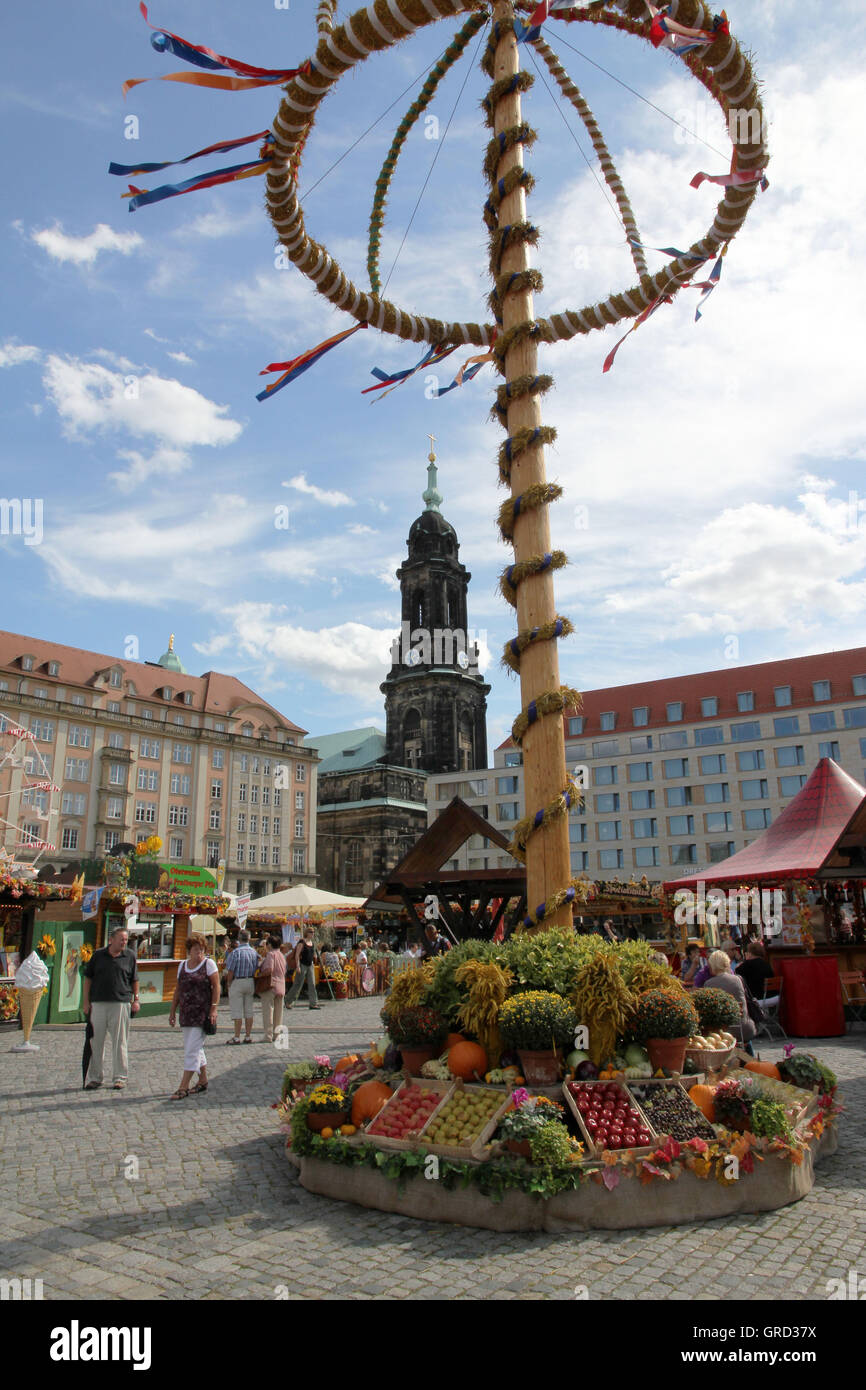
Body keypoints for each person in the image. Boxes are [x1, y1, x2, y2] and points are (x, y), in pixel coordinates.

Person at [82, 925, 140, 1090]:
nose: (124, 942)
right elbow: (88, 979)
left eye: (126, 940)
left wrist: (136, 999)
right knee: (96, 1041)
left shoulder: (130, 956)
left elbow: (135, 980)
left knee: (120, 1041)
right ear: (111, 939)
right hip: (98, 1003)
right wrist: (86, 1002)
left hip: (120, 1003)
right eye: (121, 939)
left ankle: (120, 1077)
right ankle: (95, 1077)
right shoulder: (98, 955)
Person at [168, 933, 220, 1099]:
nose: (199, 953)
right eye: (196, 950)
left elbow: (216, 987)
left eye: (202, 950)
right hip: (186, 1012)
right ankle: (203, 1079)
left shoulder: (208, 964)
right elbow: (178, 989)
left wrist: (213, 1009)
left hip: (201, 1013)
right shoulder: (182, 965)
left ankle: (183, 1086)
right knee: (195, 1048)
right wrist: (172, 1011)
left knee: (192, 1049)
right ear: (189, 950)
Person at [704, 949, 757, 1053]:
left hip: (724, 1034)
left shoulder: (709, 984)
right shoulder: (737, 979)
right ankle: (750, 1056)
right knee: (741, 1021)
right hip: (744, 1028)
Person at [223, 929, 259, 1043]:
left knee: (237, 1010)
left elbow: (230, 970)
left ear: (239, 938)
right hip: (250, 980)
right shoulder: (254, 952)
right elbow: (257, 966)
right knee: (249, 1010)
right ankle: (248, 1036)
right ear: (249, 938)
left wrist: (229, 983)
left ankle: (237, 1036)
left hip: (238, 981)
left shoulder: (235, 952)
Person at [258, 933, 288, 1042]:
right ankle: (277, 1035)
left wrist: (260, 974)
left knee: (268, 1011)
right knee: (279, 1013)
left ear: (269, 945)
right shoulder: (281, 955)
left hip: (271, 986)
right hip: (281, 985)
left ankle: (268, 1035)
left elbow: (269, 969)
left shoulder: (271, 954)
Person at [285, 928, 320, 1010]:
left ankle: (313, 1003)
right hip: (302, 965)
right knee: (298, 984)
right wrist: (297, 966)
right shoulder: (302, 942)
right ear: (306, 933)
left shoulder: (312, 943)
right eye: (311, 932)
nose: (313, 933)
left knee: (312, 984)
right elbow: (297, 955)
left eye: (313, 932)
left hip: (310, 965)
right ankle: (288, 1001)